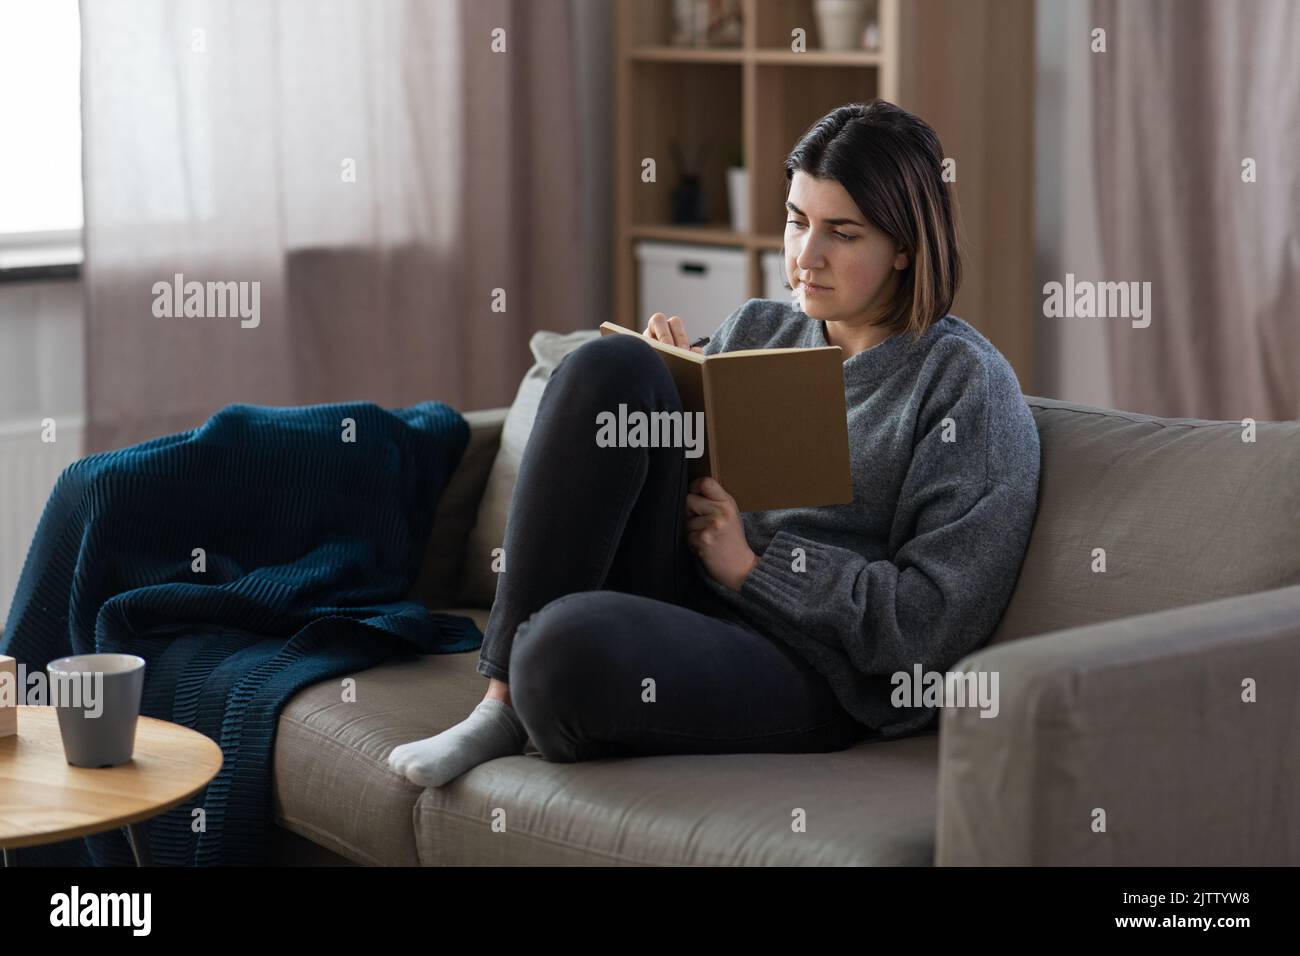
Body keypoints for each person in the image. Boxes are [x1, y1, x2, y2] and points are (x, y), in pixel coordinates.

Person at [387, 100, 1041, 788]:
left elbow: (930, 625)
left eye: (842, 234)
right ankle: (500, 706)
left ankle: (549, 687)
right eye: (796, 221)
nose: (805, 257)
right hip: (687, 599)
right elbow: (683, 480)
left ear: (906, 246)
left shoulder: (965, 387)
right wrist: (668, 393)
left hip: (810, 669)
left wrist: (754, 567)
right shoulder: (759, 327)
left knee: (557, 652)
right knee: (610, 368)